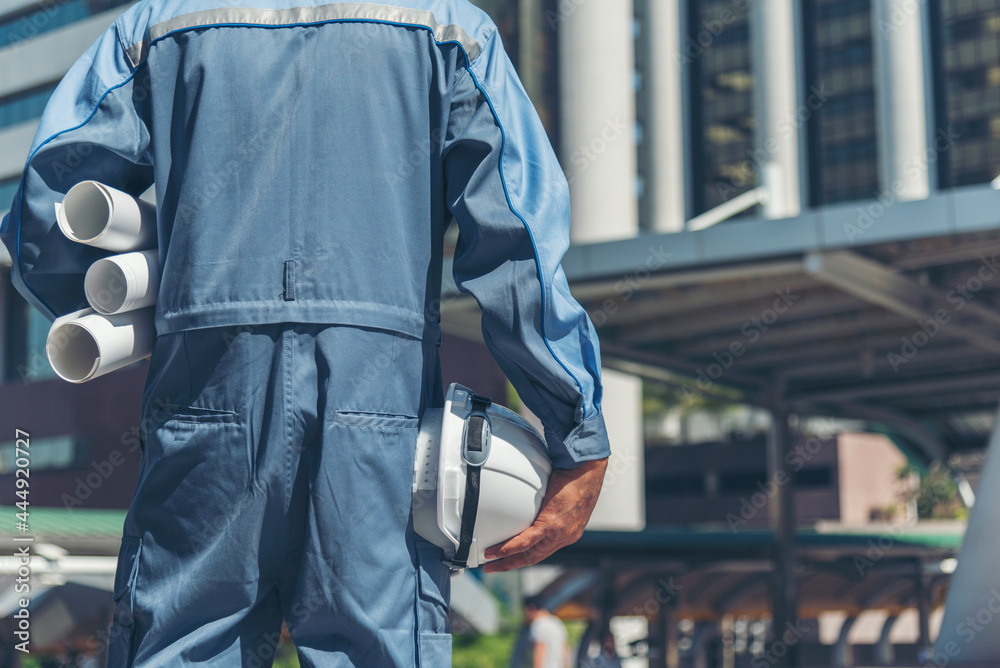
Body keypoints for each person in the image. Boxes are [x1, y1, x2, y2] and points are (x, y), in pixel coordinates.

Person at [0, 0, 612, 666]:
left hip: (207, 395)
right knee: (375, 649)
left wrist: (139, 315)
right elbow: (517, 241)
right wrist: (575, 430)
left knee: (182, 643)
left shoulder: (156, 25)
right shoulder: (450, 28)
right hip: (379, 411)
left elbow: (44, 215)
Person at [525, 598, 570, 668]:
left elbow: (539, 652)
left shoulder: (538, 624)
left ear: (530, 609)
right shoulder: (557, 622)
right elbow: (565, 652)